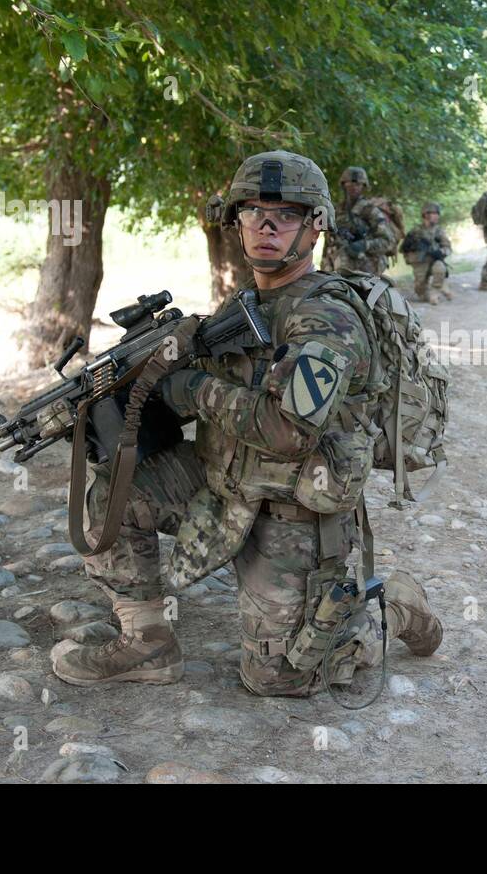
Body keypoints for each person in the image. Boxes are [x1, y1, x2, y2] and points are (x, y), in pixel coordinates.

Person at [53, 150, 442, 698]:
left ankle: (397, 603)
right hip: (220, 484)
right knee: (115, 494)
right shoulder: (241, 309)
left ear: (315, 226)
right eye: (253, 212)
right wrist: (136, 383)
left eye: (285, 214)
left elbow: (288, 433)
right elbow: (195, 402)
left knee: (281, 678)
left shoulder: (328, 317)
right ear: (235, 222)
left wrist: (190, 386)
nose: (265, 225)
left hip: (293, 513)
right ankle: (147, 643)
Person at [323, 165, 399, 275]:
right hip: (336, 266)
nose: (353, 187)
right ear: (343, 185)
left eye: (358, 184)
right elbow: (329, 242)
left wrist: (364, 245)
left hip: (364, 268)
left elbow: (388, 241)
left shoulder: (370, 211)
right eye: (349, 183)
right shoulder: (336, 210)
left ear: (363, 186)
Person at [401, 201, 453, 304]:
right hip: (420, 263)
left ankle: (435, 292)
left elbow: (448, 248)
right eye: (434, 213)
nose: (437, 216)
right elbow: (404, 249)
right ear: (425, 215)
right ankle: (442, 288)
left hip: (434, 260)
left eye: (437, 214)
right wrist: (412, 257)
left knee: (440, 268)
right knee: (421, 292)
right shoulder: (415, 231)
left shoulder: (439, 231)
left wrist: (441, 252)